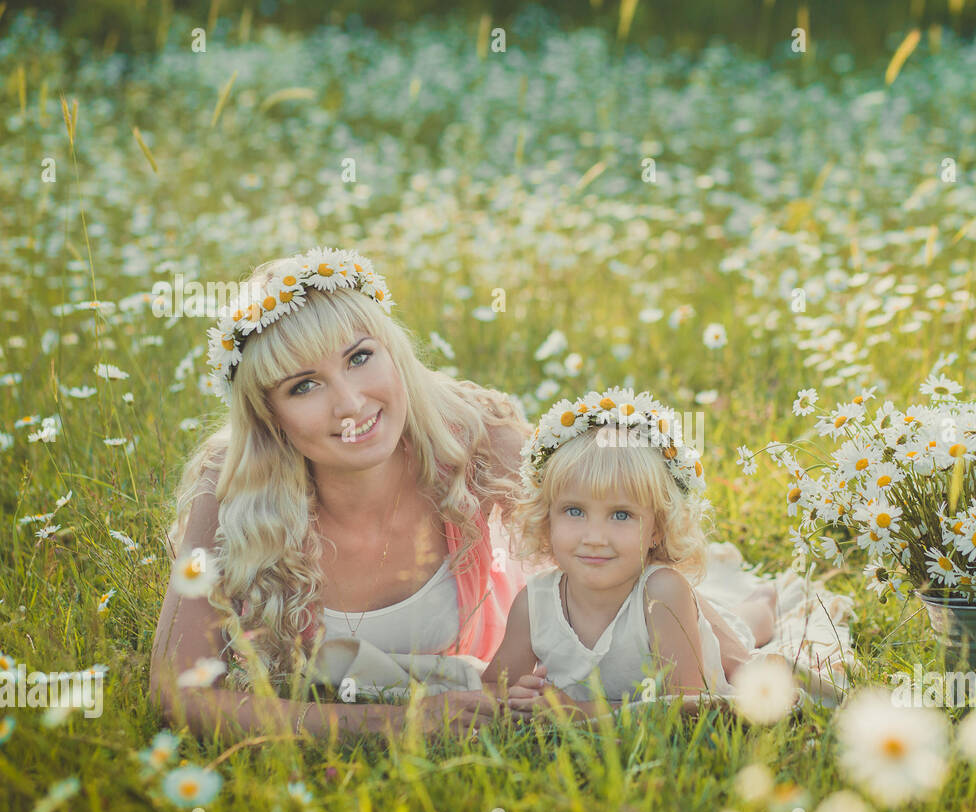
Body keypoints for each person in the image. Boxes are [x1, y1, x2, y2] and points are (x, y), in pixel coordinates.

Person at [149, 248, 528, 741]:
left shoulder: (478, 439)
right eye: (304, 386)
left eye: (360, 357)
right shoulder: (232, 486)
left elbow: (633, 554)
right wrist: (392, 725)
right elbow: (179, 694)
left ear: (393, 352)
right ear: (267, 416)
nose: (350, 404)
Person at [481, 389, 782, 719]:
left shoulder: (663, 593)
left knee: (744, 629)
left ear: (656, 529)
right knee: (735, 622)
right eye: (574, 511)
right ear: (547, 516)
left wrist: (578, 711)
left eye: (621, 515)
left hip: (689, 643)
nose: (594, 538)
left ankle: (765, 600)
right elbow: (494, 683)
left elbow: (685, 708)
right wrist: (515, 696)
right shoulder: (534, 603)